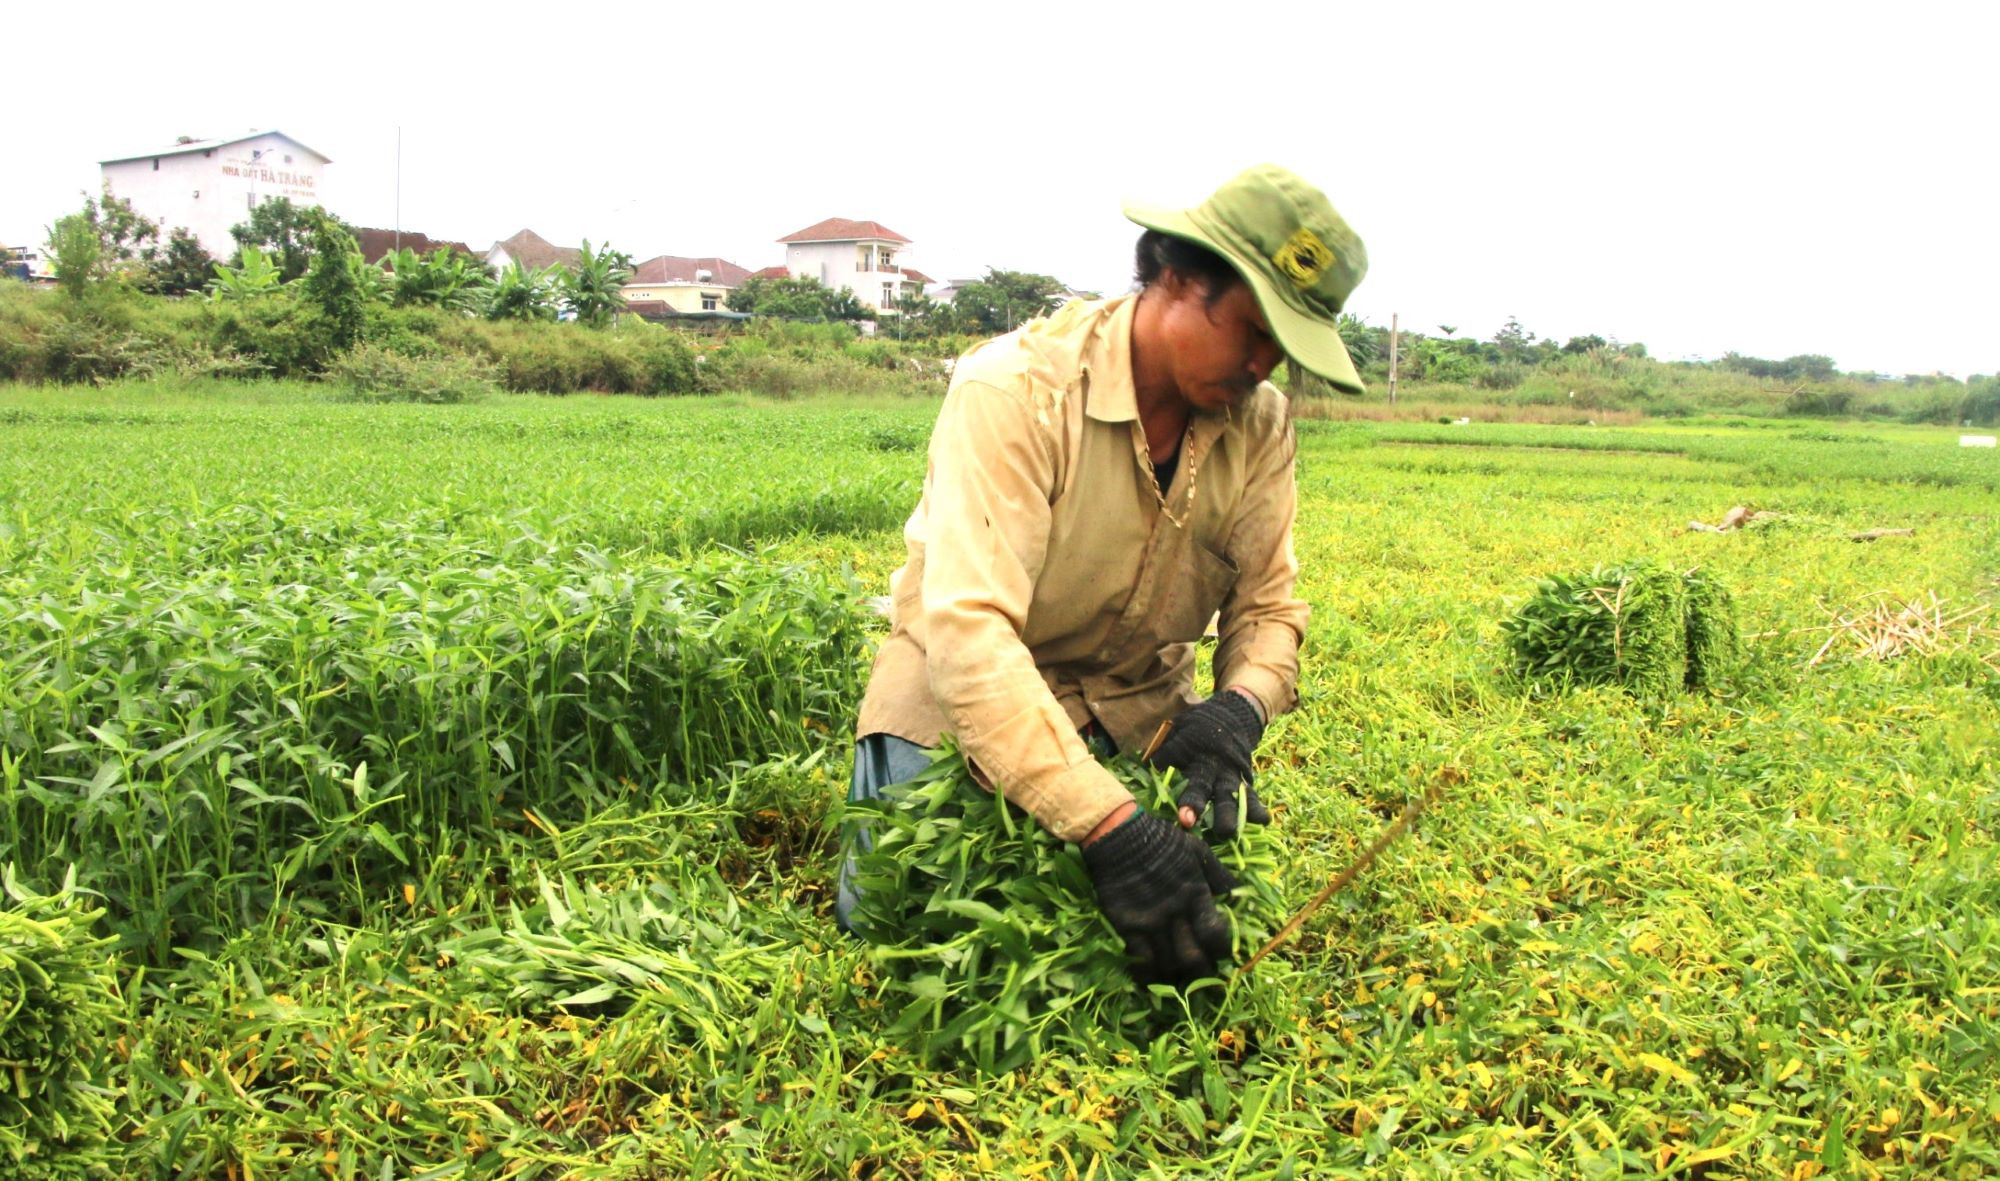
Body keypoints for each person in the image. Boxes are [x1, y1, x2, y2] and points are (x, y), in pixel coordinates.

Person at [839, 164, 1368, 985]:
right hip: (961, 710)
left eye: (1284, 350)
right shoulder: (1015, 390)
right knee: (912, 943)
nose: (1263, 366)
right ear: (1176, 273)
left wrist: (1237, 711)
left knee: (1163, 945)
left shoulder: (1259, 426)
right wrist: (1114, 826)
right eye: (1252, 330)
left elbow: (1267, 606)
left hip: (1135, 711)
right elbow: (970, 635)